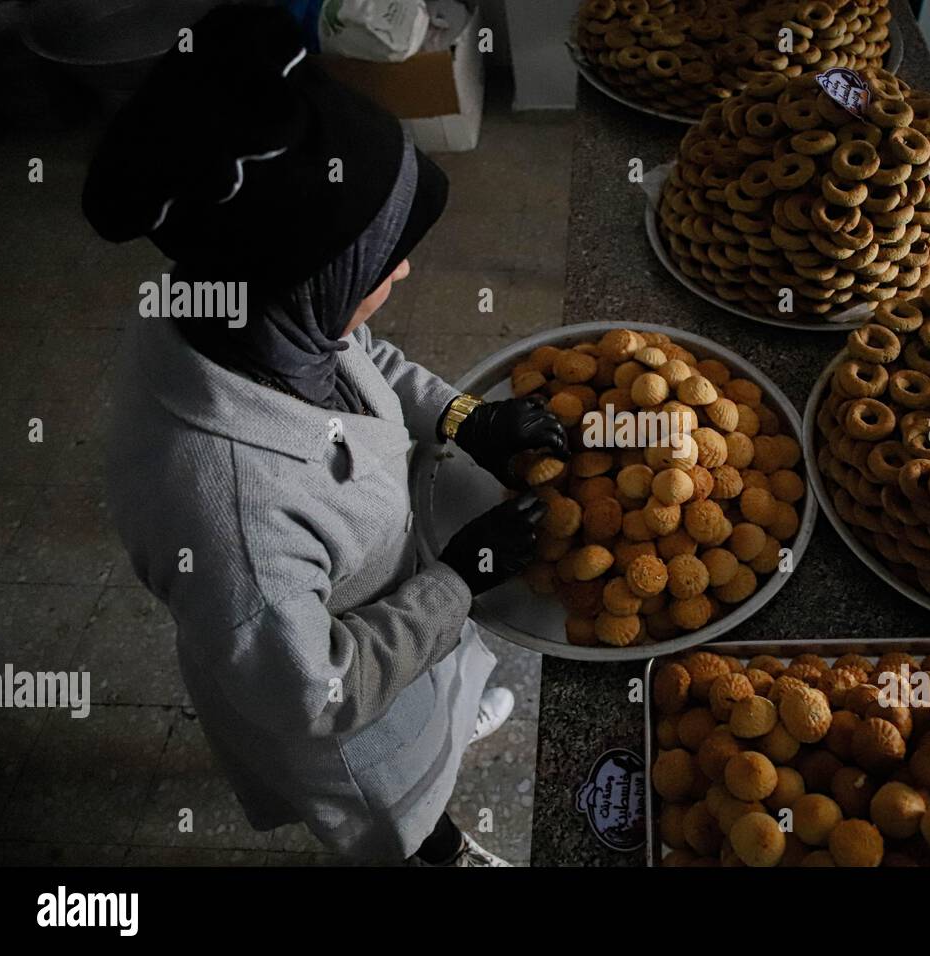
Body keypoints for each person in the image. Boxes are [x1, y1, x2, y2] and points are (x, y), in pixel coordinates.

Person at [82, 6, 568, 866]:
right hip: (338, 703)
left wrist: (464, 418)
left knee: (439, 694)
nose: (408, 271)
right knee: (401, 805)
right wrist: (460, 580)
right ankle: (440, 849)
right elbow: (317, 688)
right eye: (386, 262)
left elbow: (359, 349)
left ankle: (452, 723)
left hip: (389, 601)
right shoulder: (233, 510)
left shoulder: (256, 318)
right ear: (309, 282)